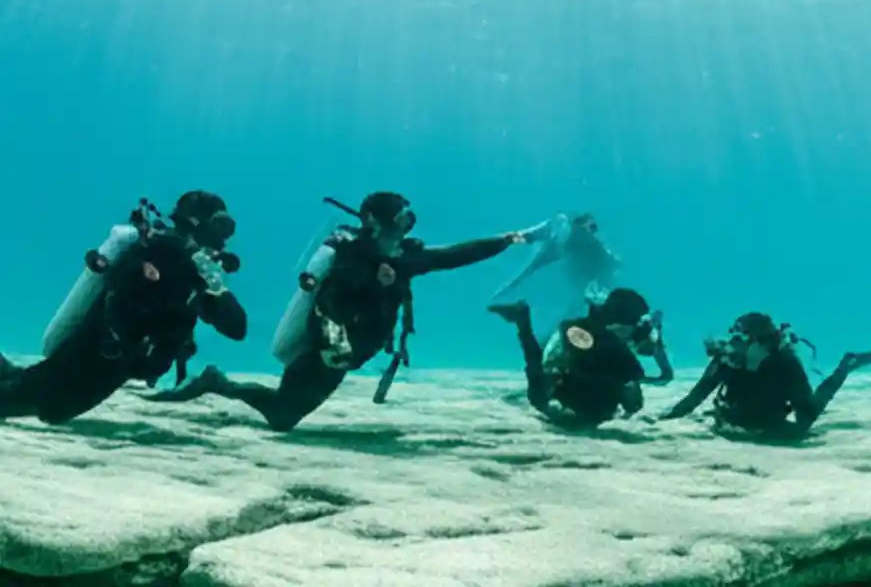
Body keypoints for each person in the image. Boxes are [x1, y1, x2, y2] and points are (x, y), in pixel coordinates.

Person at [146, 192, 541, 431]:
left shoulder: (405, 257)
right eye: (400, 215)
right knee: (283, 415)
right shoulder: (351, 255)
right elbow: (328, 299)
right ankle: (217, 383)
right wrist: (335, 342)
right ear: (373, 219)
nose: (406, 223)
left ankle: (219, 383)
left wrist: (504, 240)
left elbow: (454, 255)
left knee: (284, 413)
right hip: (326, 352)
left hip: (346, 353)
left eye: (408, 216)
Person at [0, 192, 246, 424]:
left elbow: (236, 328)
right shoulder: (157, 253)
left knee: (46, 406)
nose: (224, 237)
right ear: (198, 223)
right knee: (35, 401)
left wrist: (213, 287)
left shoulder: (190, 272)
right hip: (91, 358)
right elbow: (124, 290)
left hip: (110, 366)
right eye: (220, 226)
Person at [658, 312, 871, 439]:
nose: (734, 346)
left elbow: (803, 416)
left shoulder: (786, 364)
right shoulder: (726, 360)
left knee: (810, 412)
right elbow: (696, 396)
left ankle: (847, 365)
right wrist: (665, 420)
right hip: (737, 418)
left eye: (741, 339)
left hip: (771, 415)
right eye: (733, 338)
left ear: (763, 344)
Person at [489, 288, 654, 428]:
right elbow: (579, 360)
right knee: (539, 395)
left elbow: (631, 379)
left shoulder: (604, 336)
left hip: (587, 401)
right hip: (572, 396)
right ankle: (522, 320)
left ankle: (522, 319)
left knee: (540, 390)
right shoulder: (588, 334)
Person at [492, 213, 622, 323]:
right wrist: (503, 241)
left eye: (592, 229)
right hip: (563, 256)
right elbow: (525, 237)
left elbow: (610, 266)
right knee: (528, 271)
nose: (589, 232)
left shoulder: (595, 247)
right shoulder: (558, 230)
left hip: (582, 269)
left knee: (583, 299)